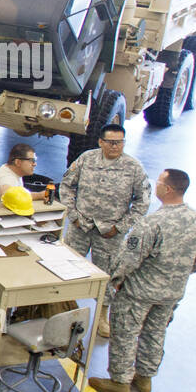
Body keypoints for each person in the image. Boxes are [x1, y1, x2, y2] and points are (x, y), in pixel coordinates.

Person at [89, 169, 196, 392]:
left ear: (167, 189)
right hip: (172, 291)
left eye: (159, 181)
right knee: (155, 332)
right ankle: (145, 378)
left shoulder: (152, 223)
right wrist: (182, 272)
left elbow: (130, 258)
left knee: (125, 332)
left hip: (139, 291)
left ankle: (119, 381)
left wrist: (117, 281)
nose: (156, 184)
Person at [58, 123, 150, 337]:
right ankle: (61, 309)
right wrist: (73, 215)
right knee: (66, 268)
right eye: (110, 142)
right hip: (80, 226)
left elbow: (142, 202)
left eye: (119, 142)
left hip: (110, 233)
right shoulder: (86, 159)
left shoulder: (134, 168)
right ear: (101, 142)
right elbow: (66, 185)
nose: (115, 147)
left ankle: (102, 316)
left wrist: (121, 227)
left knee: (107, 276)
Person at [0, 144, 51, 330]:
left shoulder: (14, 175)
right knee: (0, 282)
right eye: (31, 161)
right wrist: (37, 196)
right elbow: (7, 192)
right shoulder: (6, 177)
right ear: (17, 161)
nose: (34, 165)